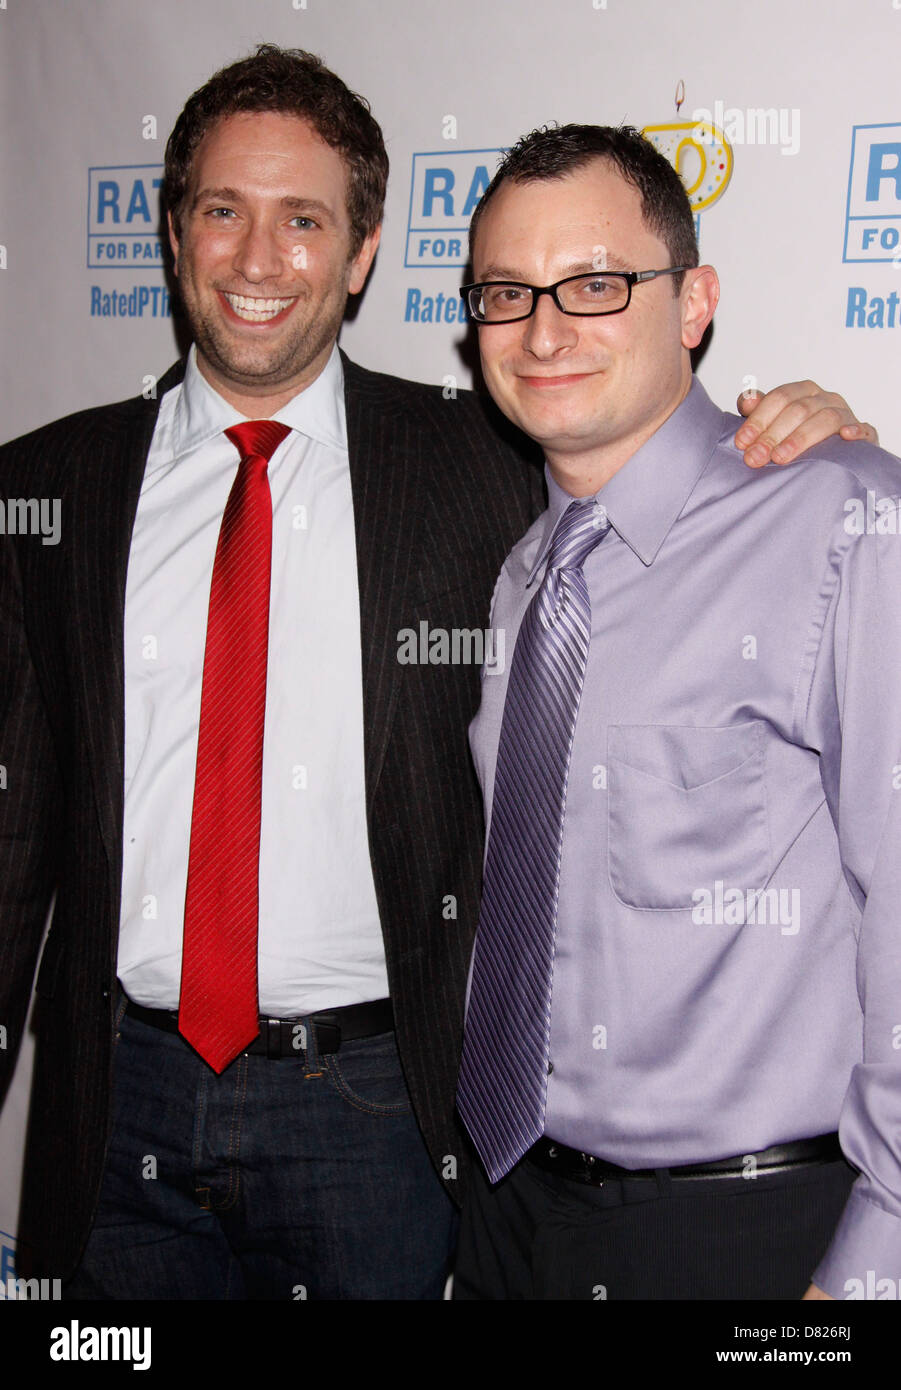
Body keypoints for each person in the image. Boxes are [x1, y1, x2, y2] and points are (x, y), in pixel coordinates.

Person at [0, 48, 876, 1302]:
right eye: (222, 212)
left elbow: (646, 446)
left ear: (361, 255)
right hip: (117, 1097)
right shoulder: (49, 487)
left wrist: (810, 431)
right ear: (174, 232)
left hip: (379, 1117)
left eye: (304, 219)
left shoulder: (487, 460)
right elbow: (14, 836)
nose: (258, 261)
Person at [453, 122, 901, 1301]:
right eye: (506, 292)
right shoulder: (519, 579)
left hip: (753, 1234)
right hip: (510, 1209)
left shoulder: (842, 522)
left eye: (596, 284)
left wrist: (871, 1264)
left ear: (693, 300)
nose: (544, 330)